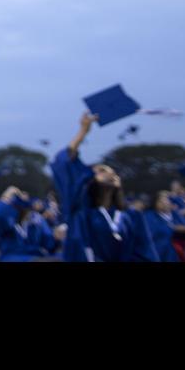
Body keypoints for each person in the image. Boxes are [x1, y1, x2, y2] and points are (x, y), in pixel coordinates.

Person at [50, 112, 158, 262]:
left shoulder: (132, 217)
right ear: (88, 181)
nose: (110, 174)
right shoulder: (80, 214)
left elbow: (145, 252)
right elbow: (64, 165)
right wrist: (83, 132)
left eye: (113, 172)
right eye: (102, 171)